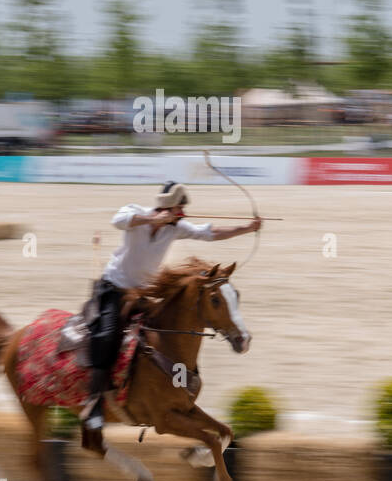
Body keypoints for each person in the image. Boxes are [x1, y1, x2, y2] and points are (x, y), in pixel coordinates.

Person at [82, 181, 261, 429]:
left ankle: (168, 389)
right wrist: (151, 219)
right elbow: (119, 220)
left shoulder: (175, 228)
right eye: (180, 208)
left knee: (167, 336)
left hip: (141, 295)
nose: (183, 213)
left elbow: (210, 232)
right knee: (106, 336)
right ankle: (93, 406)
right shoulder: (136, 213)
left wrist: (247, 228)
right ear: (168, 207)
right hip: (113, 290)